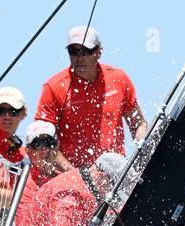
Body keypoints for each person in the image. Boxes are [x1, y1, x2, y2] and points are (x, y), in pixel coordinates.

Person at [34, 25, 147, 172]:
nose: (79, 58)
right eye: (74, 51)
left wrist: (143, 152)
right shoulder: (53, 88)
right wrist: (74, 174)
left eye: (86, 51)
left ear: (99, 52)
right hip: (73, 176)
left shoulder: (119, 78)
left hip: (115, 173)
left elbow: (138, 123)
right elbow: (43, 140)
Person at [18, 151, 127, 226]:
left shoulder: (84, 184)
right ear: (102, 177)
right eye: (115, 195)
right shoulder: (70, 196)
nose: (113, 200)